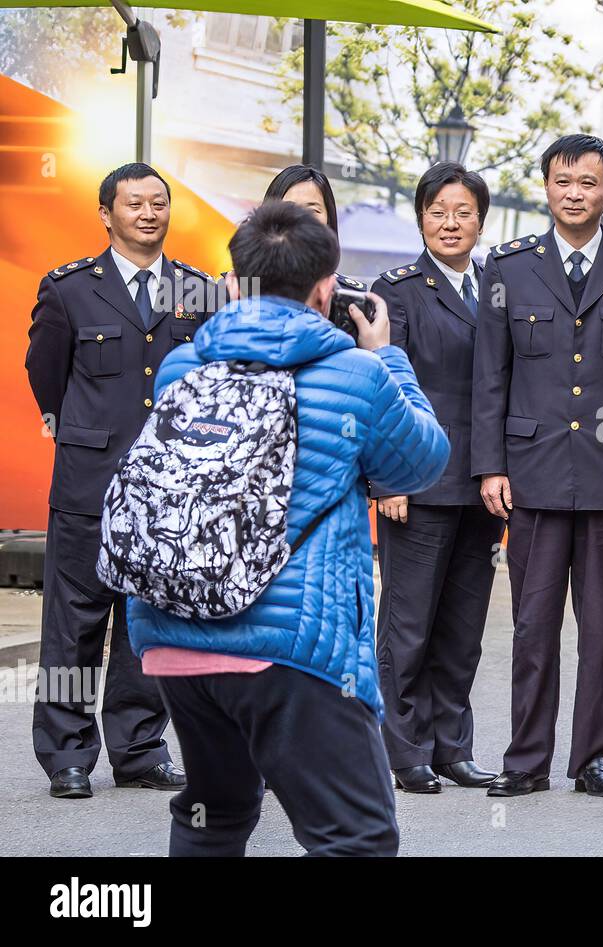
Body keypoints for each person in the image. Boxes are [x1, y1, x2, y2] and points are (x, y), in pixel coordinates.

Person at [126, 201, 449, 855]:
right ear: (326, 286)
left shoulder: (183, 368)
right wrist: (389, 358)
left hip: (174, 640)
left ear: (236, 282)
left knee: (213, 814)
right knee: (355, 837)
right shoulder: (357, 373)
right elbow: (421, 463)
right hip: (293, 649)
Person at [26, 162, 218, 799]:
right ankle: (68, 754)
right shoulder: (69, 289)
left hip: (167, 492)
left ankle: (138, 749)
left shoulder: (197, 290)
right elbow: (47, 377)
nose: (148, 213)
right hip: (89, 485)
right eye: (134, 203)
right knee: (73, 628)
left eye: (159, 203)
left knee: (145, 624)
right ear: (106, 213)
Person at [472, 134, 603, 798]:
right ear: (546, 187)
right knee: (532, 624)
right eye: (562, 181)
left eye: (588, 182)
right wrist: (490, 464)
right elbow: (491, 373)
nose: (574, 193)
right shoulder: (509, 266)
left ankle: (595, 758)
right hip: (534, 470)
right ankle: (525, 757)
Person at [370, 163, 502, 792]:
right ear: (420, 217)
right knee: (408, 625)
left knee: (462, 626)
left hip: (484, 486)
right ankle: (403, 750)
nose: (451, 223)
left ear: (482, 218)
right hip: (418, 485)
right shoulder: (394, 291)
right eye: (437, 211)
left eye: (463, 212)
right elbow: (381, 388)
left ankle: (452, 745)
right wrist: (387, 478)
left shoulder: (499, 286)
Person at [262, 164, 369, 296]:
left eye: (312, 211)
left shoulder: (347, 294)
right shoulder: (243, 285)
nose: (300, 218)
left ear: (329, 220)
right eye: (289, 209)